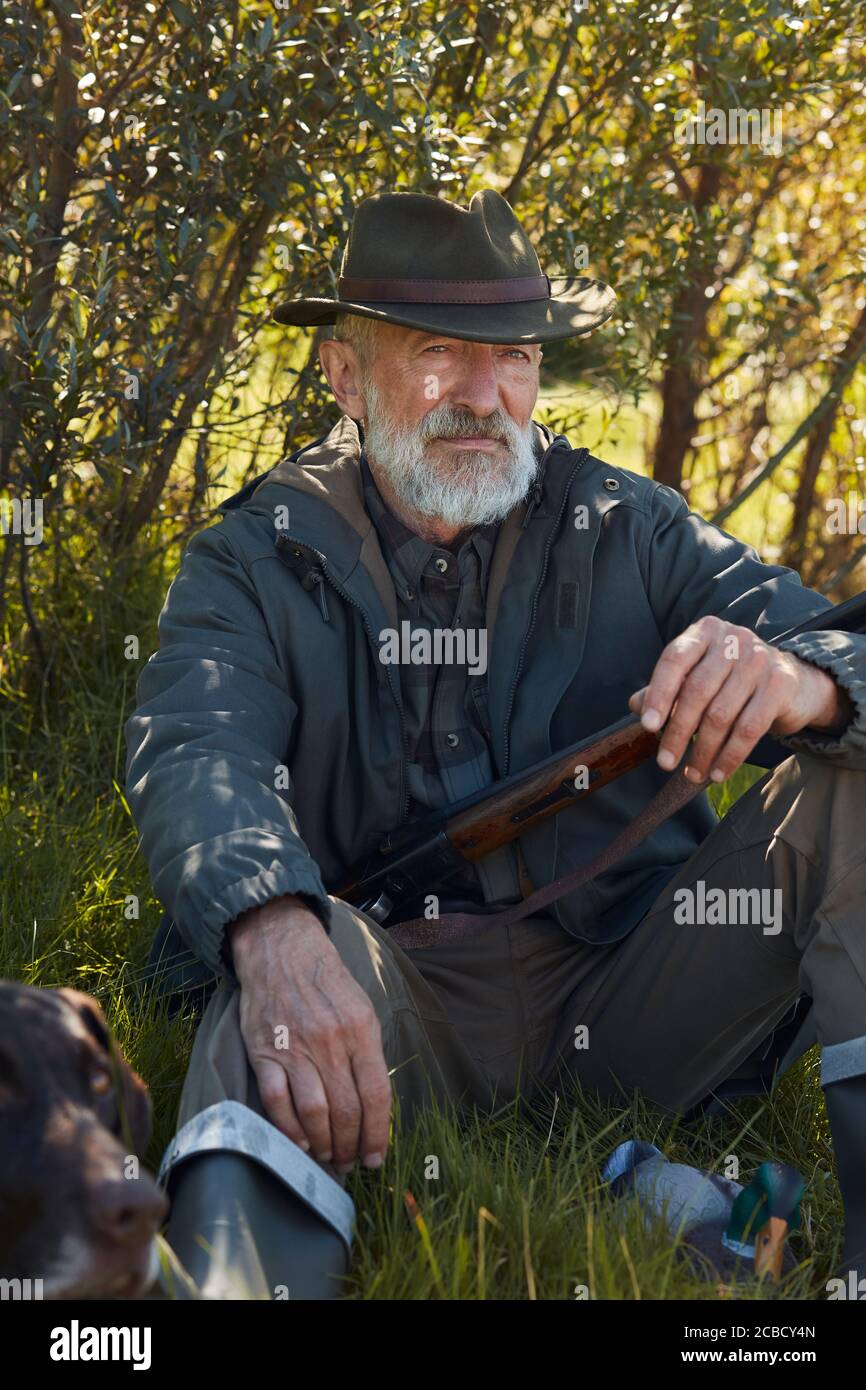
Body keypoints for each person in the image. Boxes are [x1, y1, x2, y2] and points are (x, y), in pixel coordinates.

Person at [126, 187, 866, 1298]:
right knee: (277, 965)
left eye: (513, 357)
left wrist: (805, 680)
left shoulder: (632, 523)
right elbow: (195, 749)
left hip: (637, 985)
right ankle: (238, 1284)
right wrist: (269, 925)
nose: (485, 397)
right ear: (343, 373)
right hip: (390, 1008)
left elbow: (830, 640)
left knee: (850, 781)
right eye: (439, 353)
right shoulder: (247, 557)